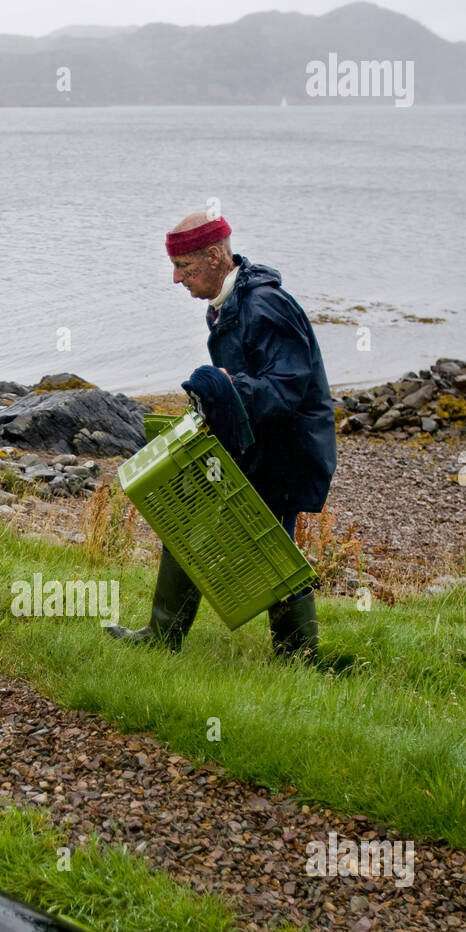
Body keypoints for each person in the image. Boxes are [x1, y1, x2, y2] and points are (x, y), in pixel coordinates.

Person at [107, 213, 337, 657]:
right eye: (174, 267)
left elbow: (289, 386)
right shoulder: (229, 303)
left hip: (287, 449)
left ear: (215, 256)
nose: (176, 279)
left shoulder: (265, 304)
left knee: (272, 547)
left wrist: (227, 387)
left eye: (184, 267)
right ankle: (162, 637)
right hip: (256, 437)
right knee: (191, 522)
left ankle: (300, 656)